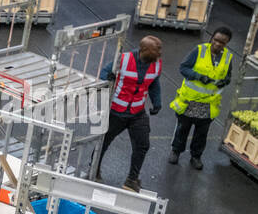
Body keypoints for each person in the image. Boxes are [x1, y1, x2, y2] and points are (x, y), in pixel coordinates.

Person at [96, 35, 162, 193]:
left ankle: (132, 179)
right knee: (103, 142)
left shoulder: (156, 64)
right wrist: (108, 78)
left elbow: (154, 84)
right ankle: (94, 171)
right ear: (144, 50)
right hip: (116, 111)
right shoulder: (124, 59)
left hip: (137, 112)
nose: (160, 53)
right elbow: (104, 74)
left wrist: (157, 102)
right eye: (157, 49)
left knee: (143, 145)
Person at [169, 26, 234, 171]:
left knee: (201, 134)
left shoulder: (228, 57)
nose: (217, 44)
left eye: (222, 42)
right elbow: (184, 68)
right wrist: (199, 77)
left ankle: (196, 156)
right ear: (212, 38)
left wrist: (225, 81)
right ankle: (176, 151)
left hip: (208, 104)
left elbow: (228, 76)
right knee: (182, 129)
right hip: (189, 101)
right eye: (216, 40)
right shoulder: (199, 50)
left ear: (226, 43)